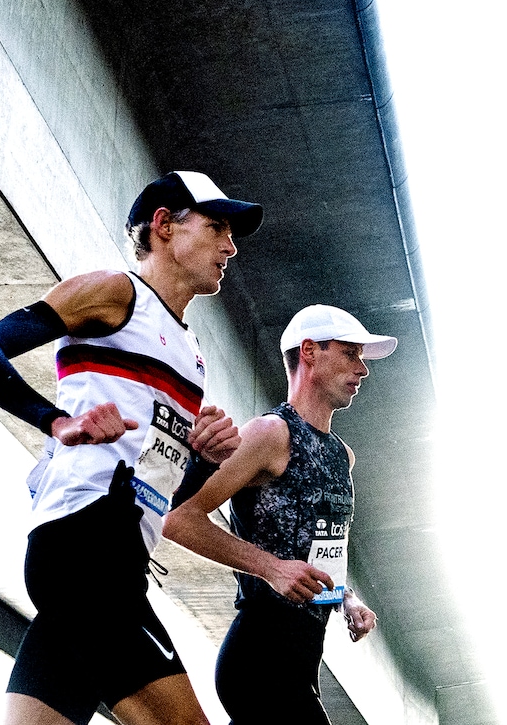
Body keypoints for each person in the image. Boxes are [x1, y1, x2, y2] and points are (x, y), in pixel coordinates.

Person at [0, 172, 259, 725]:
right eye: (216, 227)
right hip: (86, 546)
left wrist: (201, 459)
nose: (230, 246)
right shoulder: (117, 292)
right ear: (163, 225)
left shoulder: (191, 353)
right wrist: (56, 421)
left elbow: (162, 493)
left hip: (115, 553)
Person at [164, 304, 396, 725]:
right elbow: (180, 519)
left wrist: (345, 598)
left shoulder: (342, 456)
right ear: (309, 351)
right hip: (259, 657)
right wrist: (272, 569)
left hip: (303, 660)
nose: (362, 370)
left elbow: (318, 552)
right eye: (350, 354)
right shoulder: (271, 433)